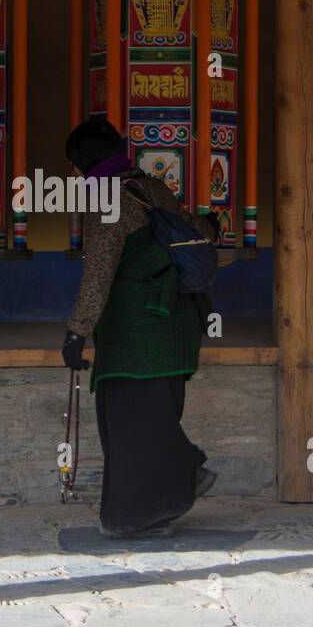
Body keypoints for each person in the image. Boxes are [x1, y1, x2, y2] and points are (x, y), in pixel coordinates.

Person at [61, 119, 218, 538]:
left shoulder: (105, 198)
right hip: (175, 325)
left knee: (134, 425)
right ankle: (162, 498)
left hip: (138, 336)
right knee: (153, 419)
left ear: (80, 164)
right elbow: (199, 231)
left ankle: (153, 502)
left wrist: (77, 331)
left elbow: (98, 272)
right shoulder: (151, 187)